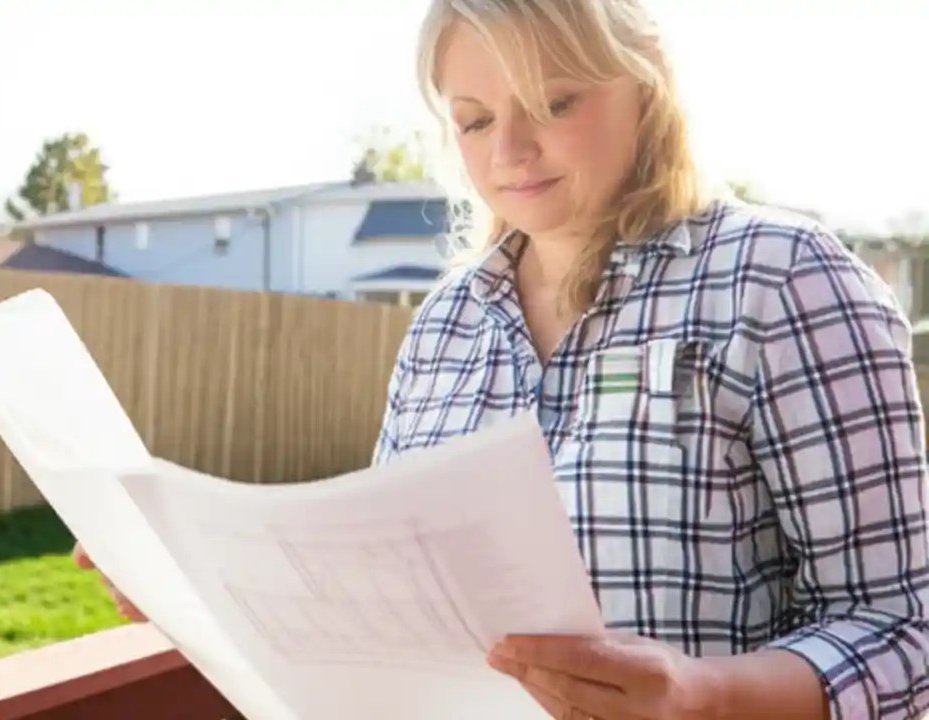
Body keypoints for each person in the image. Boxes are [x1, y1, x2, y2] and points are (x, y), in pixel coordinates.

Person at [76, 1, 929, 717]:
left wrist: (702, 695)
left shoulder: (781, 279)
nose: (509, 152)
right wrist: (204, 601)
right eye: (475, 120)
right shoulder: (445, 325)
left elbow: (903, 626)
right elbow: (385, 624)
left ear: (646, 85)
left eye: (554, 103)